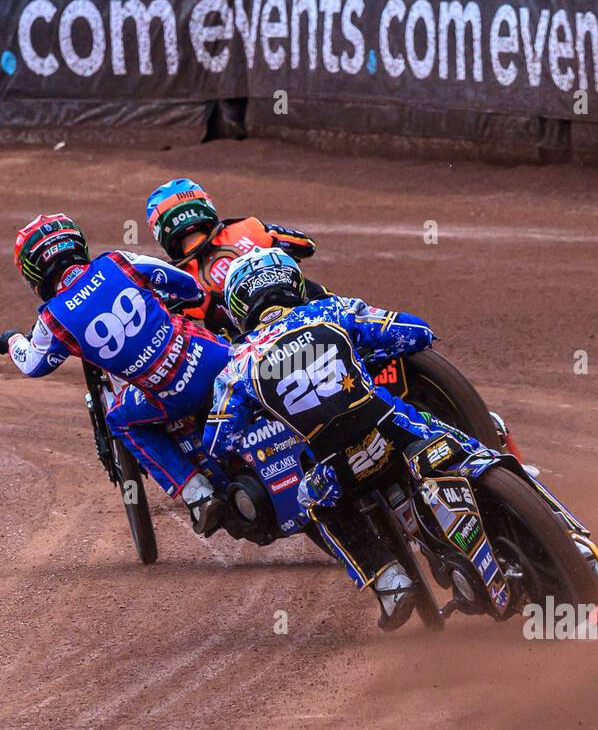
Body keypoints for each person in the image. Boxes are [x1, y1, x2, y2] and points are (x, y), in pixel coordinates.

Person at [202, 250, 487, 631]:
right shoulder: (331, 310)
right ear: (294, 283)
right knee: (470, 447)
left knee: (310, 499)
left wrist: (260, 410)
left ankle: (389, 582)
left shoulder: (238, 365)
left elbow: (219, 440)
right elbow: (416, 332)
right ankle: (556, 526)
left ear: (239, 307)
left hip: (340, 468)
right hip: (396, 430)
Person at [0, 213, 229, 534]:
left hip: (172, 394)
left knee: (118, 419)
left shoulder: (53, 319)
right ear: (78, 245)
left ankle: (198, 494)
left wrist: (12, 341)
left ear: (34, 272)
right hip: (215, 359)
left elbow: (34, 364)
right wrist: (195, 298)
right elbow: (183, 283)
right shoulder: (118, 261)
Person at [144, 179, 319, 335]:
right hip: (311, 320)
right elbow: (307, 246)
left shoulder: (176, 280)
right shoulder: (249, 228)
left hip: (256, 353)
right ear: (203, 204)